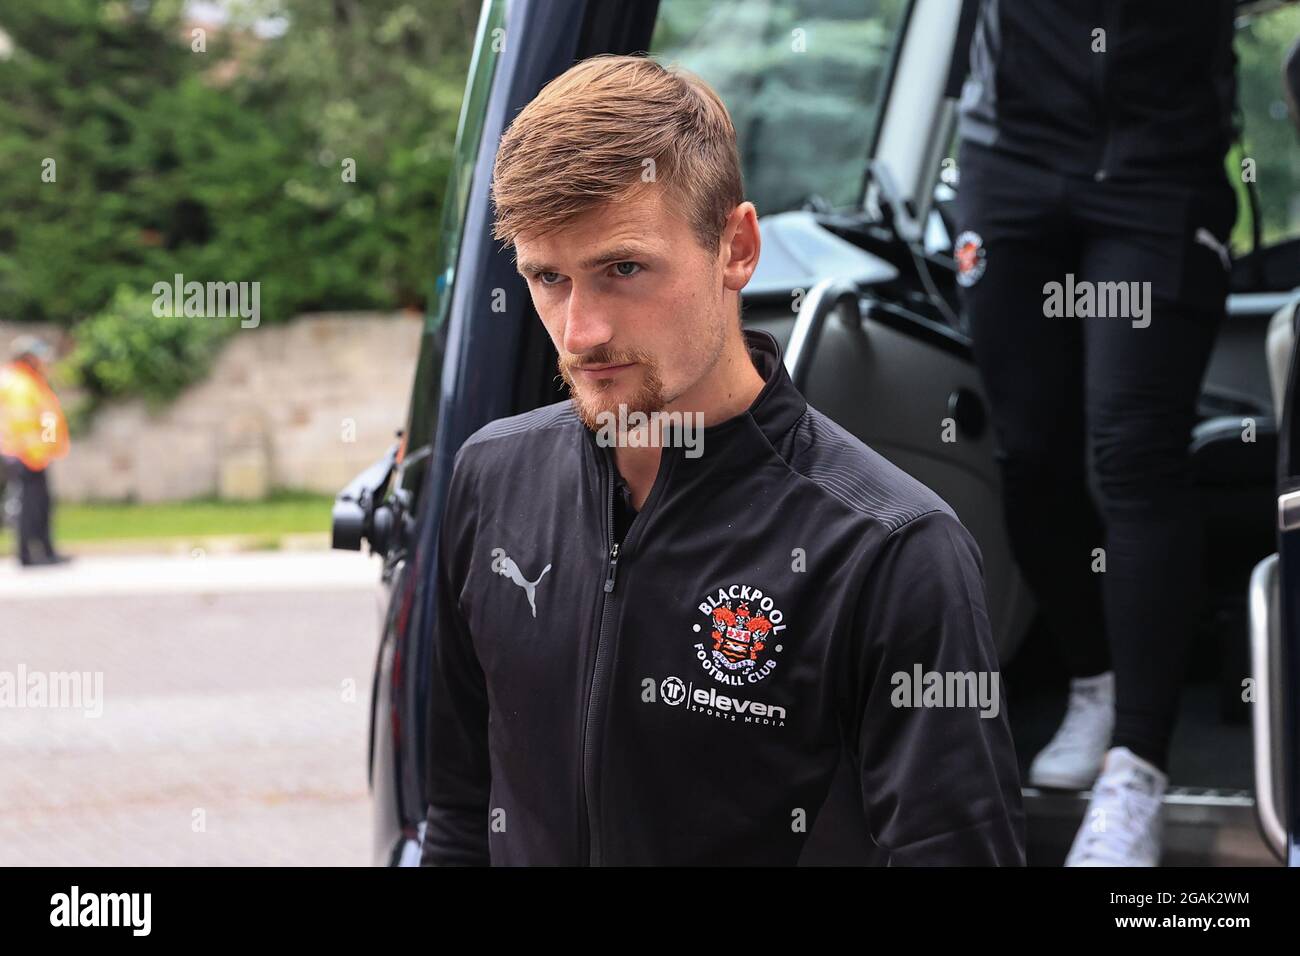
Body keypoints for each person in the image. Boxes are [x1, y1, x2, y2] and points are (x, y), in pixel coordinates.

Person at [419, 54, 1025, 866]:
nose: (580, 332)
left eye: (622, 268)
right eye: (548, 278)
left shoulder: (890, 549)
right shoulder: (492, 480)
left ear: (737, 248)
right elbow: (459, 817)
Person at [954, 0, 1239, 865]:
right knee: (1029, 454)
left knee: (1133, 455)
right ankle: (1093, 680)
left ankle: (1137, 768)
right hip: (1010, 155)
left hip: (1162, 168)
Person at [0, 335, 71, 566]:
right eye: (40, 358)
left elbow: (47, 417)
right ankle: (28, 555)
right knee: (29, 507)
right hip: (26, 454)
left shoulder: (31, 381)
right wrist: (37, 451)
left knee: (40, 505)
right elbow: (23, 423)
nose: (45, 363)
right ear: (29, 358)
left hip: (36, 453)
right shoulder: (19, 383)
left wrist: (49, 445)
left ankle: (45, 551)